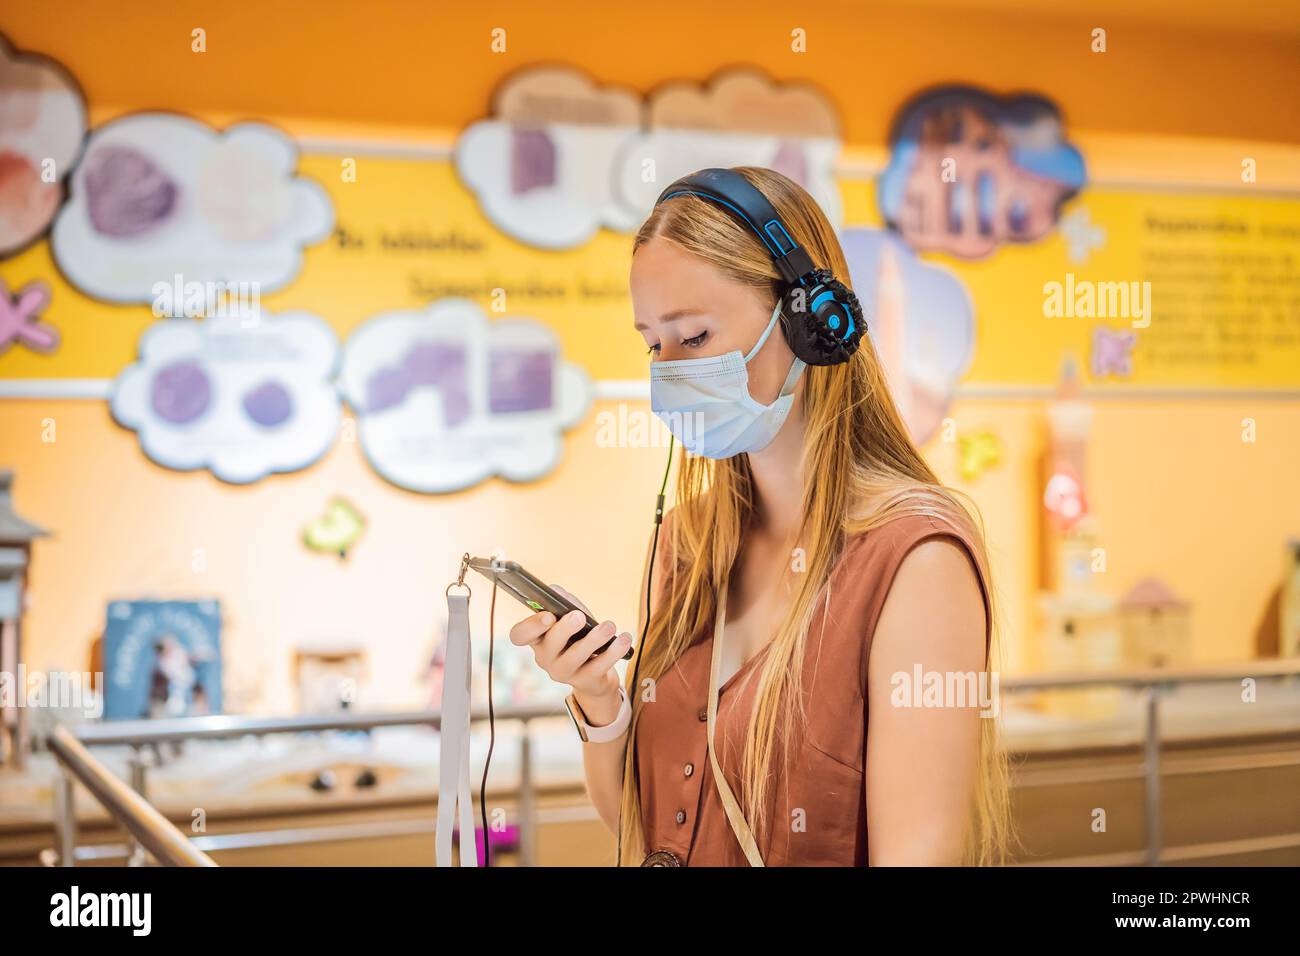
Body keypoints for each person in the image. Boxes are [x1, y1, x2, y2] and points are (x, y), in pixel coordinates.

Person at [509, 166, 1010, 866]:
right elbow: (643, 828)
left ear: (811, 324)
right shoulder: (688, 542)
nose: (670, 371)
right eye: (654, 344)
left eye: (695, 336)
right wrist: (599, 699)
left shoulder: (914, 559)